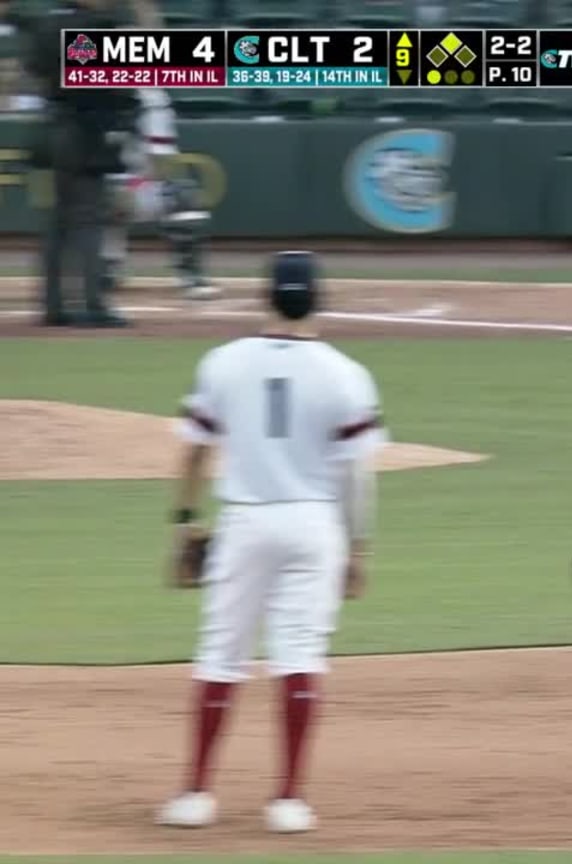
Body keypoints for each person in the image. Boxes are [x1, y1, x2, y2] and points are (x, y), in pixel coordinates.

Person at [158, 251, 384, 835]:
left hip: (245, 520)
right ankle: (287, 800)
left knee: (220, 652)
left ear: (264, 297)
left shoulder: (224, 363)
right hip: (314, 524)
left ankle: (196, 794)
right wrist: (359, 547)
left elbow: (196, 450)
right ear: (319, 298)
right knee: (301, 655)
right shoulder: (345, 373)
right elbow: (357, 474)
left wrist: (185, 521)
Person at [23, 0, 137, 328]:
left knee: (60, 220)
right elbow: (102, 83)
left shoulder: (47, 24)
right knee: (89, 219)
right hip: (84, 130)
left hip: (54, 126)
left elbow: (33, 68)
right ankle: (93, 304)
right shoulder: (95, 27)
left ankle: (52, 305)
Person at [103, 0, 217, 300]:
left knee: (183, 195)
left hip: (138, 186)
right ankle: (104, 268)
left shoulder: (150, 97)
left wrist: (133, 188)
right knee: (90, 194)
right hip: (98, 185)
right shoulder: (87, 94)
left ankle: (190, 276)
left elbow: (163, 162)